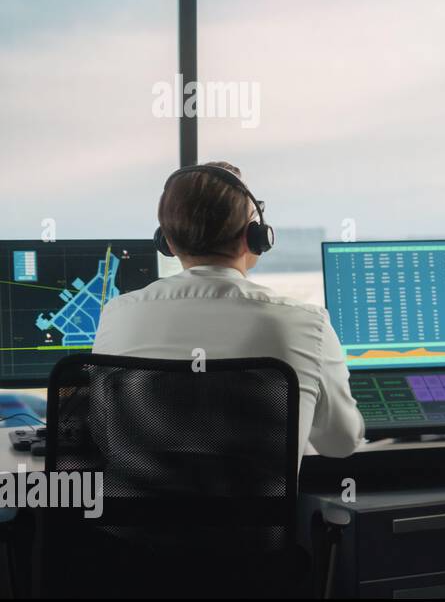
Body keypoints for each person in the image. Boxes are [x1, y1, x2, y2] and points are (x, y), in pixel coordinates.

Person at [94, 162, 365, 465]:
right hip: (255, 514)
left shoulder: (117, 316)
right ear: (255, 236)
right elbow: (340, 443)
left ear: (167, 241)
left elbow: (101, 431)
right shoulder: (305, 324)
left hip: (133, 513)